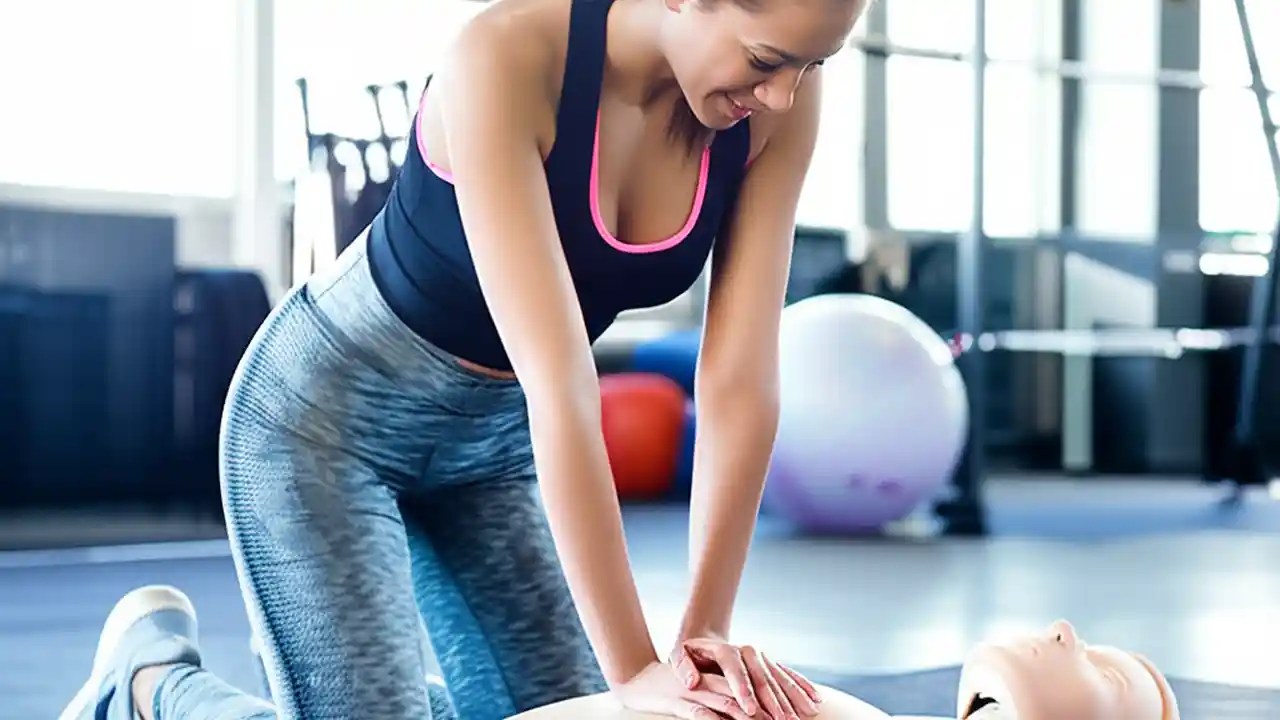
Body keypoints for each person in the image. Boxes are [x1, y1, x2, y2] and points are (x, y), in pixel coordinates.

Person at [59, 0, 866, 718]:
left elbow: (737, 381)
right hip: (322, 427)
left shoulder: (773, 106)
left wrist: (701, 639)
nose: (785, 94)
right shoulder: (504, 56)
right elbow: (562, 387)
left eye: (812, 65)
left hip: (490, 452)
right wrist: (634, 671)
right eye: (767, 62)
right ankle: (149, 681)